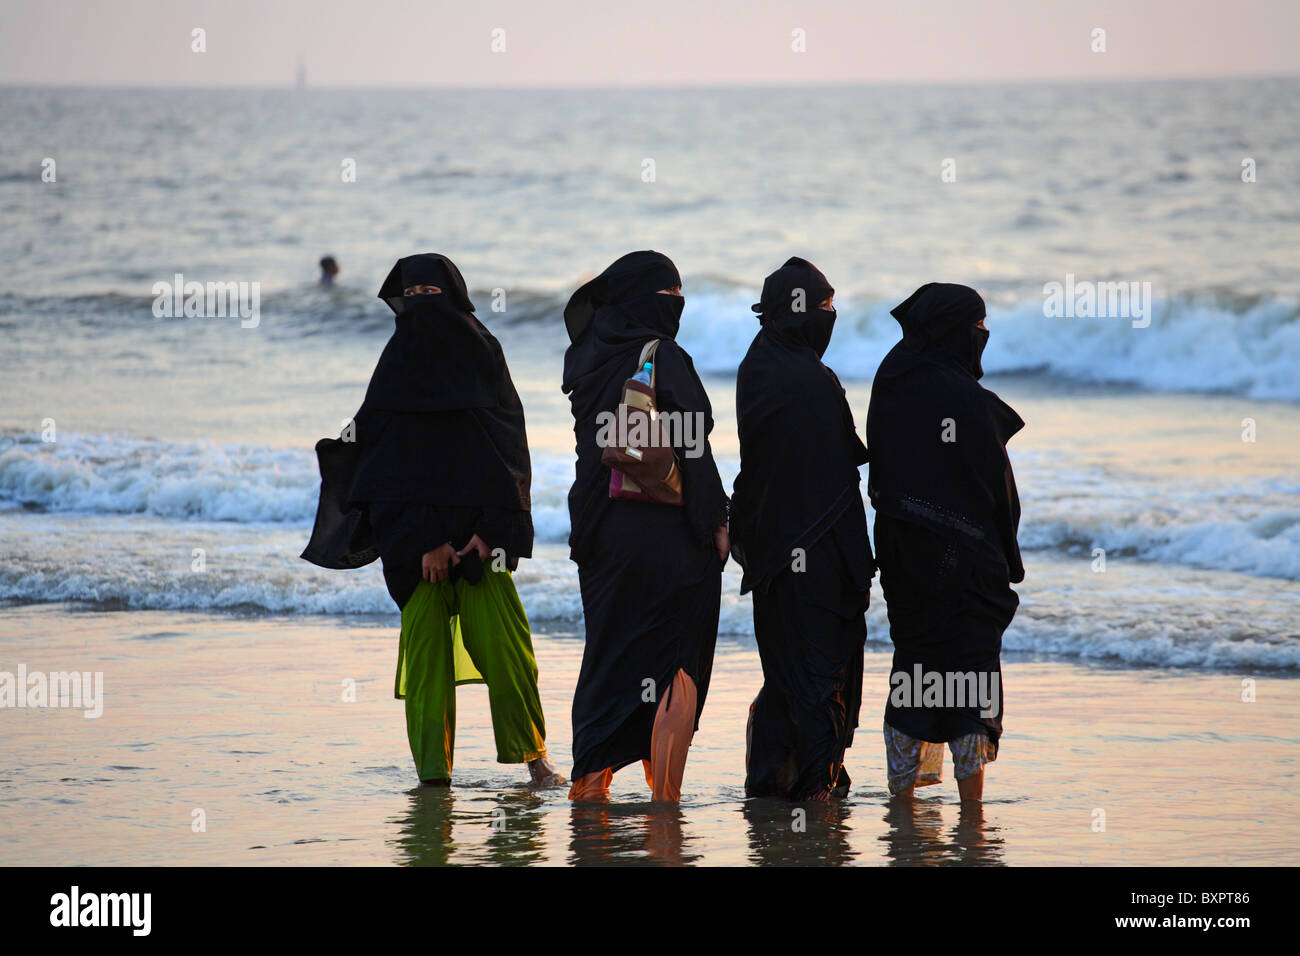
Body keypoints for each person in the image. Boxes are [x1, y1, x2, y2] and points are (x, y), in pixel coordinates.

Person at [301, 252, 563, 788]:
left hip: (481, 546)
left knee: (509, 654)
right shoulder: (396, 368)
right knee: (426, 671)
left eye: (432, 295)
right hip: (414, 554)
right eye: (413, 296)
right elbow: (381, 472)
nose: (424, 307)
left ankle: (537, 764)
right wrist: (426, 543)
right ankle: (433, 782)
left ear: (455, 297)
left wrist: (488, 534)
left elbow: (512, 453)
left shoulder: (485, 355)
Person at [561, 250, 729, 803]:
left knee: (608, 661)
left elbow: (595, 450)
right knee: (676, 663)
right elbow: (693, 448)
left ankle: (589, 786)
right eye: (668, 296)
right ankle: (666, 803)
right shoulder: (664, 356)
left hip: (601, 532)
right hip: (665, 535)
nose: (676, 306)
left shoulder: (587, 359)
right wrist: (716, 524)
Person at [865, 282, 1025, 804]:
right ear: (953, 328)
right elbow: (996, 491)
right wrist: (1008, 559)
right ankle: (972, 813)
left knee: (913, 664)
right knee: (972, 670)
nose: (983, 334)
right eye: (977, 325)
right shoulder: (964, 398)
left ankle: (902, 799)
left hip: (903, 554)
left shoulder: (893, 378)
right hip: (966, 564)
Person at [730, 257, 873, 802]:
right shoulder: (810, 379)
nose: (832, 315)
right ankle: (817, 796)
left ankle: (773, 781)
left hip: (771, 550)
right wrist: (857, 565)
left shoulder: (758, 363)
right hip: (816, 554)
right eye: (824, 306)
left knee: (788, 675)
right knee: (819, 678)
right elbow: (835, 486)